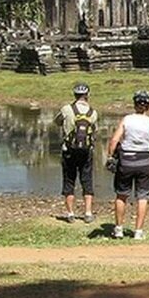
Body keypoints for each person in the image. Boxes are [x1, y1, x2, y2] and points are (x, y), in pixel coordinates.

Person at [105, 90, 149, 240]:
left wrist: (110, 157)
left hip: (126, 160)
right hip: (145, 161)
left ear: (134, 104)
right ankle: (138, 231)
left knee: (121, 195)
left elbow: (114, 140)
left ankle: (118, 229)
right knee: (143, 197)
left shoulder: (127, 120)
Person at [55, 82, 98, 223]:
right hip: (86, 151)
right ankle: (88, 213)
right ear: (88, 95)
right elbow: (94, 130)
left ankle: (70, 214)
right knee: (87, 180)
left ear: (74, 95)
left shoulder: (66, 109)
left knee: (69, 180)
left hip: (69, 150)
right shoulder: (93, 112)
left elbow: (57, 122)